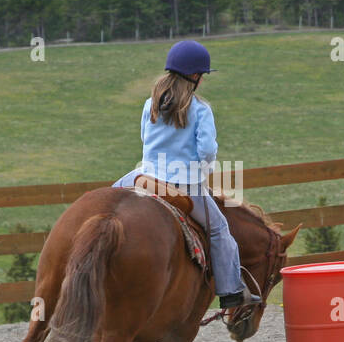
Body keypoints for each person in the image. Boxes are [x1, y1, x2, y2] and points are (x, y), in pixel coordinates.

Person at [112, 40, 261, 308]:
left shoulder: (151, 104)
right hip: (183, 184)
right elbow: (205, 151)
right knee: (219, 229)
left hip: (145, 176)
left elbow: (145, 137)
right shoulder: (201, 109)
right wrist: (205, 169)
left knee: (107, 201)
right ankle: (230, 292)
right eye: (202, 75)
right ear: (194, 76)